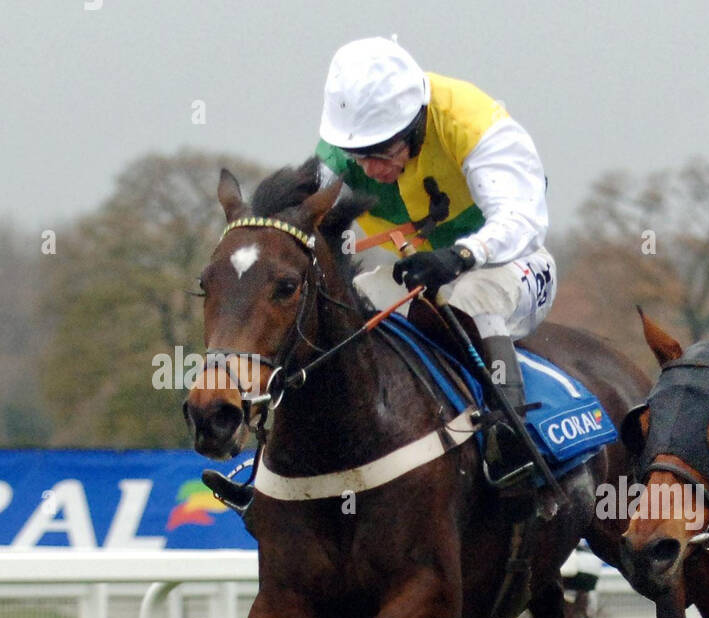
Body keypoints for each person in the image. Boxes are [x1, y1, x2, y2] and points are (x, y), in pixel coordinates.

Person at [207, 36, 552, 510]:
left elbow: (523, 220)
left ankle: (509, 442)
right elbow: (302, 220)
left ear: (416, 121)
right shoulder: (340, 147)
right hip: (415, 271)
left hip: (510, 266)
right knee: (337, 313)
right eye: (360, 154)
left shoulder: (474, 123)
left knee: (473, 297)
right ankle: (271, 461)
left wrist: (461, 256)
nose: (370, 166)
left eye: (383, 150)